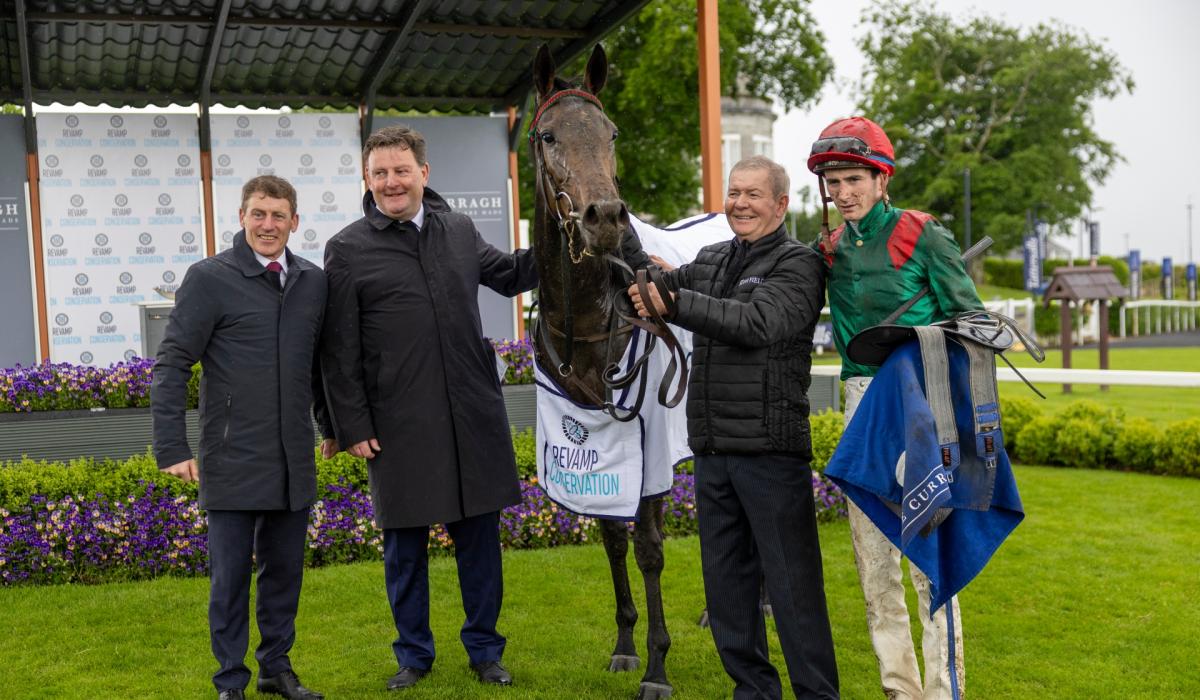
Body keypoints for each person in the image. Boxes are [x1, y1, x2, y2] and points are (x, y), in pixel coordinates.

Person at [319, 125, 537, 691]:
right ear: (367, 180)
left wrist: (566, 240)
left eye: (400, 170)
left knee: (480, 545)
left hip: (472, 415)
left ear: (424, 172)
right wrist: (351, 425)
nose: (391, 182)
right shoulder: (346, 249)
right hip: (398, 425)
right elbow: (337, 349)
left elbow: (510, 275)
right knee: (404, 551)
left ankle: (485, 651)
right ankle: (414, 656)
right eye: (379, 173)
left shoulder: (459, 229)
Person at [629, 155, 838, 700]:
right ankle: (753, 691)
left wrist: (674, 301)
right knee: (726, 592)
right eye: (734, 193)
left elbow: (757, 322)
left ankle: (818, 694)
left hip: (770, 452)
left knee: (793, 593)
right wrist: (635, 265)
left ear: (781, 204)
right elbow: (659, 283)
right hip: (713, 451)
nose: (740, 204)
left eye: (753, 194)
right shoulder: (713, 258)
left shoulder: (799, 264)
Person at [808, 116, 983, 700]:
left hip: (922, 405)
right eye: (834, 182)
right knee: (874, 563)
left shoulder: (922, 232)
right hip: (861, 406)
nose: (843, 193)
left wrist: (926, 352)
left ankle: (943, 691)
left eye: (854, 179)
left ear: (882, 179)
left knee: (928, 560)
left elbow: (975, 323)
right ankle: (899, 689)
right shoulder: (829, 248)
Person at [152, 175, 325, 700]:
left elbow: (324, 366)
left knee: (284, 575)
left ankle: (276, 667)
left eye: (278, 215)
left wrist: (334, 427)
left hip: (293, 457)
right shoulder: (209, 278)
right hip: (231, 456)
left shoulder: (313, 282)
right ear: (242, 217)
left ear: (295, 221)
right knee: (229, 580)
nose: (268, 225)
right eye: (258, 214)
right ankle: (230, 681)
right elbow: (172, 363)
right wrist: (172, 446)